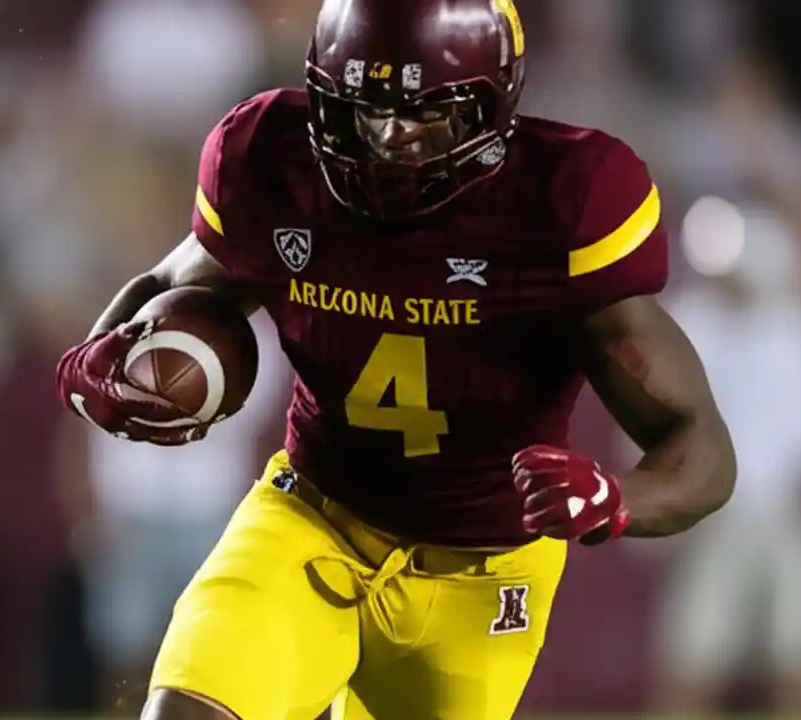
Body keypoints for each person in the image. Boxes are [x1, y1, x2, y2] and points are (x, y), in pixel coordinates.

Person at [54, 1, 737, 718]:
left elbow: (703, 451)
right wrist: (94, 368)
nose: (388, 137)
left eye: (423, 113)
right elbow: (167, 289)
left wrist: (617, 501)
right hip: (313, 520)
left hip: (485, 569)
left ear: (491, 103)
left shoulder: (564, 204)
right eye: (362, 110)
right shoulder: (273, 162)